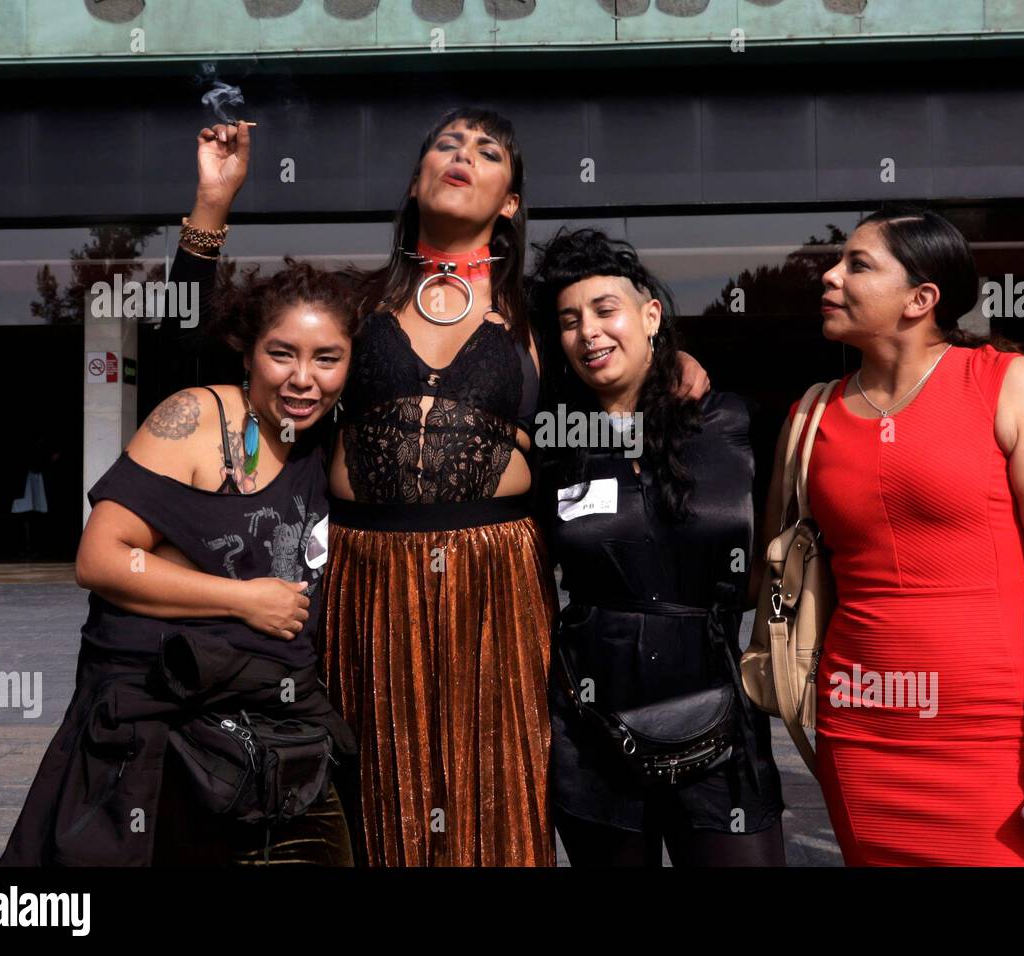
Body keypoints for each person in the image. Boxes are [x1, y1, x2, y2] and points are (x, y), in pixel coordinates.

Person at [163, 107, 713, 866]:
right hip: (366, 581)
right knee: (381, 794)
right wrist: (213, 205)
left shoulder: (540, 317)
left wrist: (670, 361)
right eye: (446, 145)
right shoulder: (352, 305)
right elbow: (182, 330)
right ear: (417, 181)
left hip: (498, 583)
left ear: (510, 201)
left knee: (491, 796)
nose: (463, 155)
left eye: (487, 152)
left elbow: (618, 351)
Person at [779, 206, 1024, 866]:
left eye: (858, 265)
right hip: (861, 726)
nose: (830, 275)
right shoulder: (813, 412)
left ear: (921, 299)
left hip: (998, 732)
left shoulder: (1007, 385)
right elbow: (782, 561)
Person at [0, 261, 357, 866]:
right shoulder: (196, 417)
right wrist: (245, 598)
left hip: (281, 734)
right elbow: (101, 558)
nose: (303, 378)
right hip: (167, 737)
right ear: (247, 355)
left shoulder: (323, 442)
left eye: (327, 358)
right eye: (281, 354)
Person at [529, 228, 785, 866]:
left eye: (605, 310)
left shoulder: (738, 423)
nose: (588, 331)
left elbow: (785, 548)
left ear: (650, 317)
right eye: (569, 320)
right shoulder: (554, 445)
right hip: (592, 723)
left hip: (719, 713)